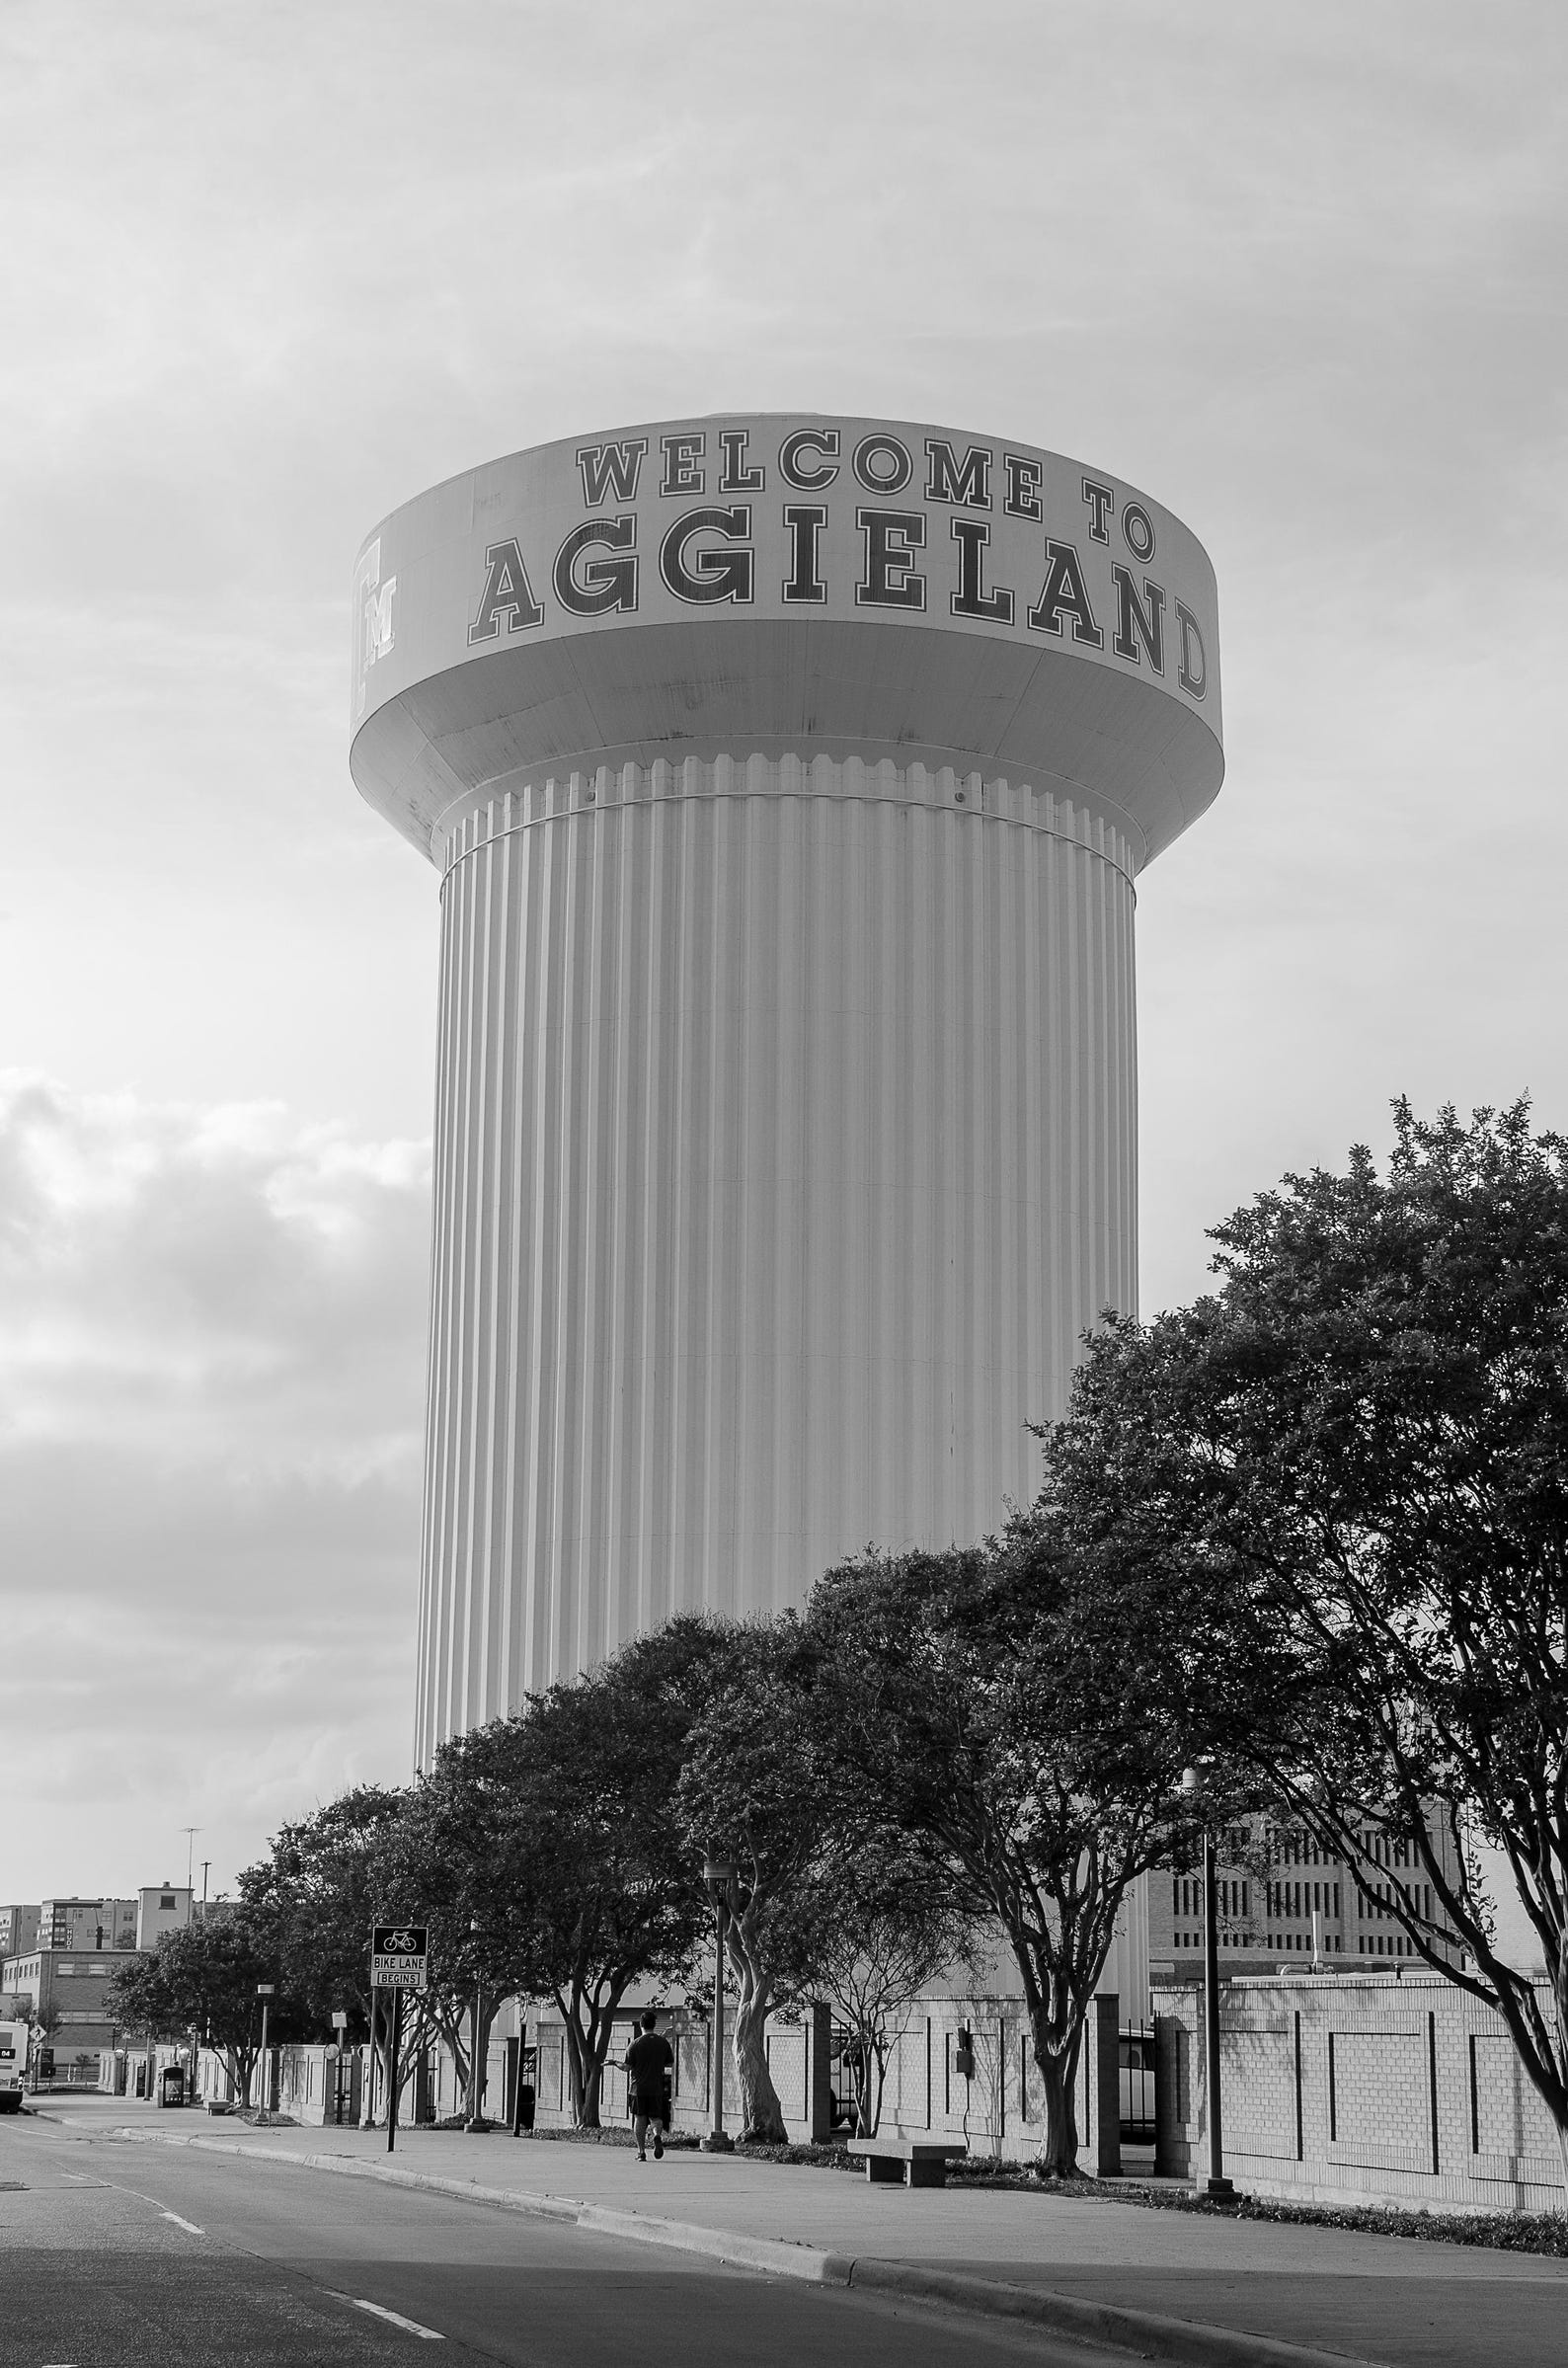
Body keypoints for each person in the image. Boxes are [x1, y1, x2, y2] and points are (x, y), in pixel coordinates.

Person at [622, 2010, 673, 2162]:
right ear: (654, 2024)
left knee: (640, 2118)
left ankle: (641, 2152)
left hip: (638, 2088)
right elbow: (669, 2062)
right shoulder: (662, 2043)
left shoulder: (635, 2044)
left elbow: (627, 2067)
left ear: (641, 2025)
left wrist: (614, 2063)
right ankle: (657, 2135)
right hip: (656, 2087)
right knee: (656, 2118)